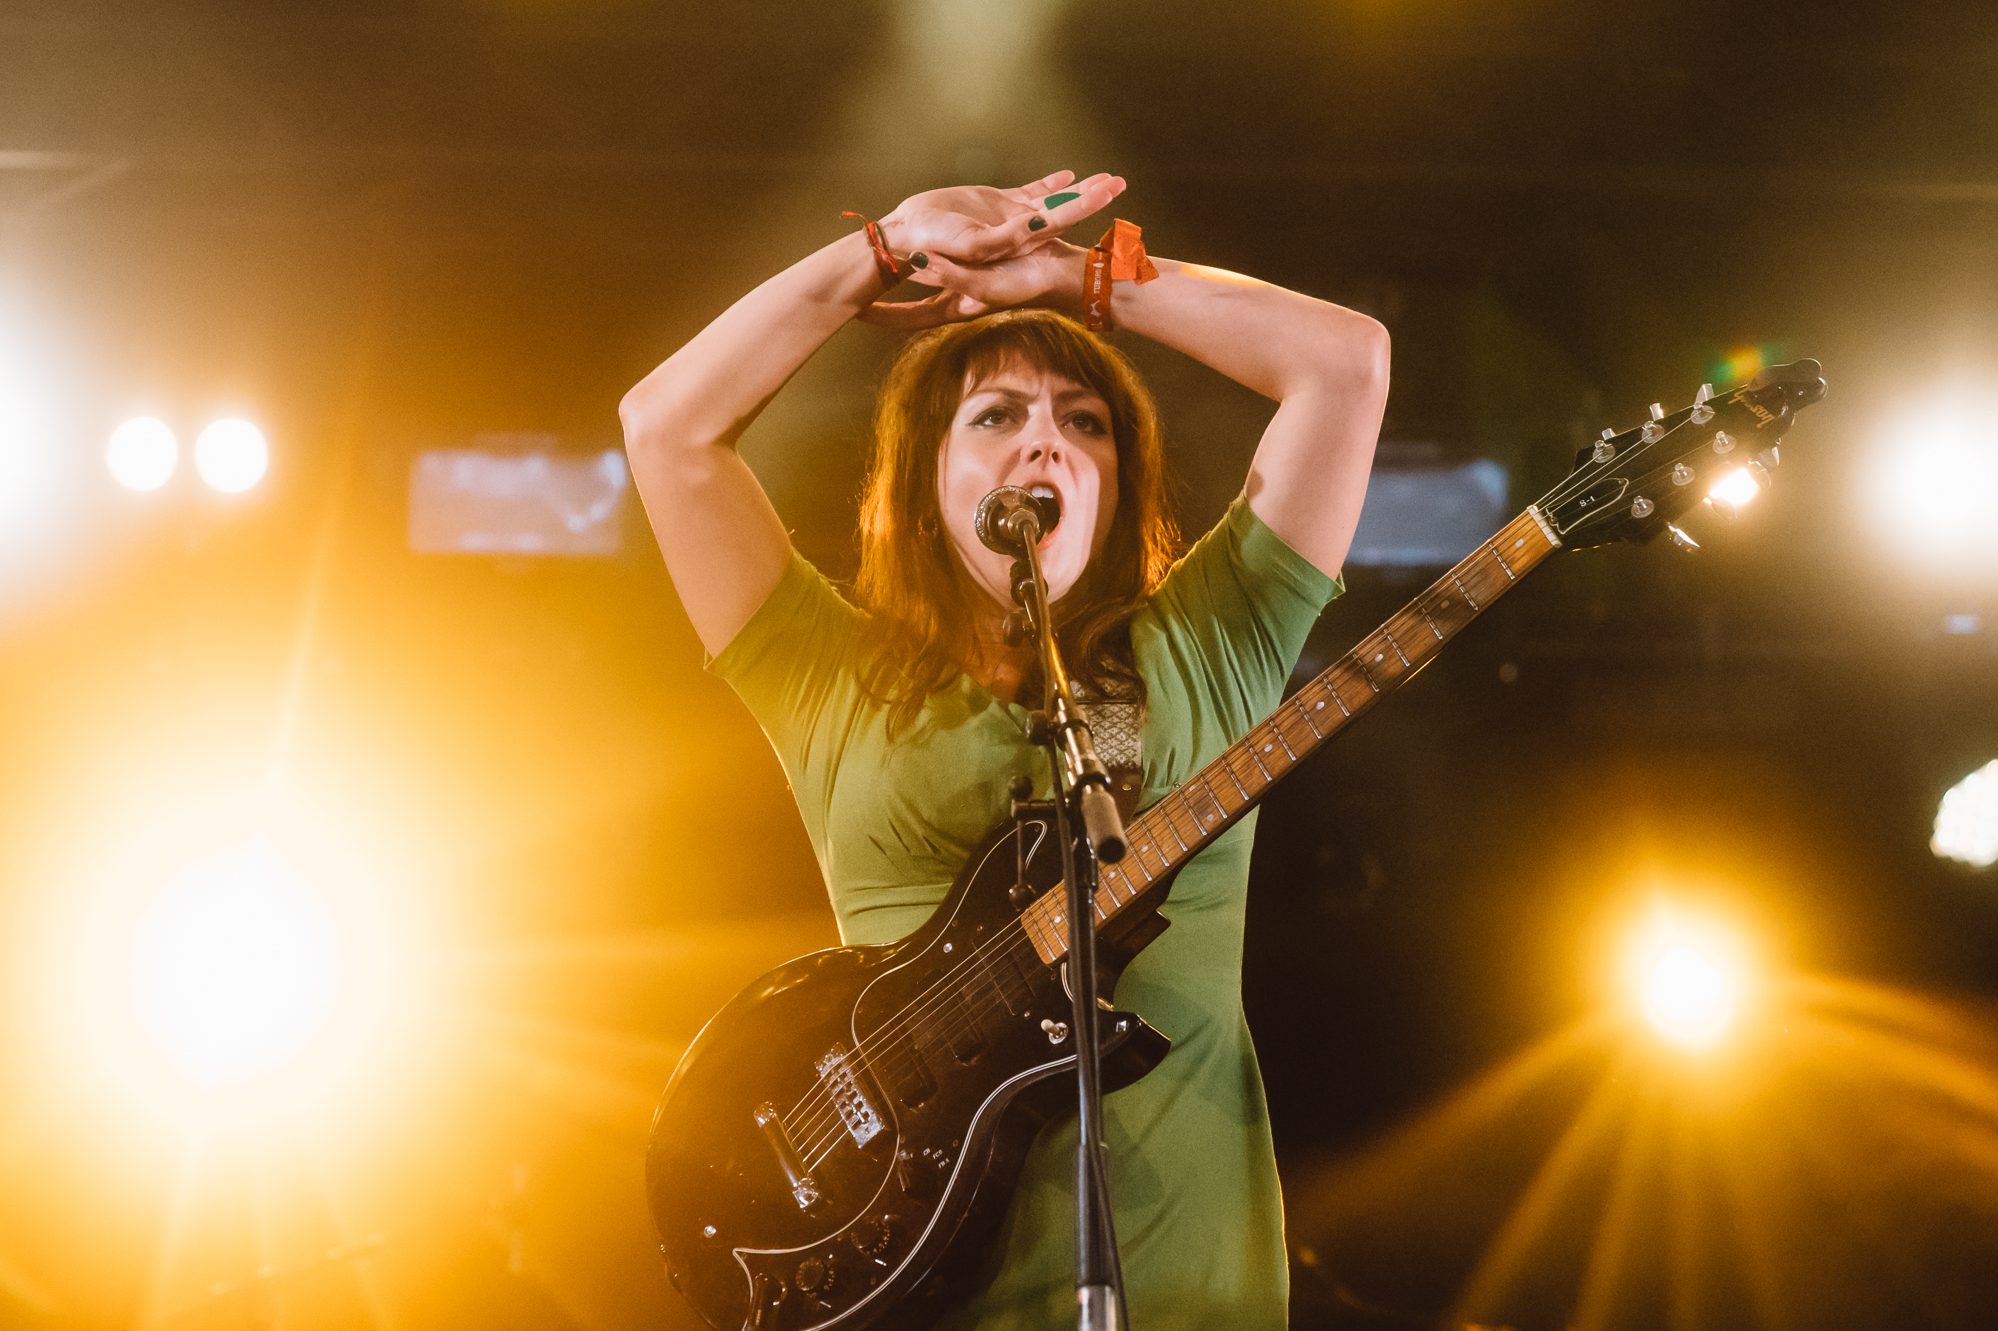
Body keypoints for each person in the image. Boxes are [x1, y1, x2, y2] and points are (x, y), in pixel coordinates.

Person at [619, 169, 1389, 1329]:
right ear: (925, 485)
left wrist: (1076, 281)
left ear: (1114, 485)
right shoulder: (831, 673)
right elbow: (666, 429)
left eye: (1085, 423)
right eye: (998, 415)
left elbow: (1347, 364)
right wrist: (880, 253)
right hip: (917, 1292)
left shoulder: (1210, 640)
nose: (1047, 442)